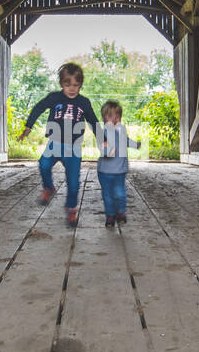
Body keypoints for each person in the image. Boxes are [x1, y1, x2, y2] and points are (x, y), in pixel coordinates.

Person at [20, 63, 98, 226]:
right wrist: (29, 126)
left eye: (76, 85)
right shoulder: (54, 98)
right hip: (54, 144)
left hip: (73, 148)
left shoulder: (83, 102)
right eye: (67, 84)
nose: (71, 88)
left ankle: (71, 209)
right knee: (43, 164)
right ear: (61, 84)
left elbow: (93, 121)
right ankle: (49, 188)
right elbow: (38, 108)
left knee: (73, 182)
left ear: (80, 85)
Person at [96, 99, 140, 228]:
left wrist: (135, 144)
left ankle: (120, 212)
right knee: (108, 195)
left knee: (120, 193)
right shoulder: (103, 132)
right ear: (104, 118)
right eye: (110, 116)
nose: (115, 119)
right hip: (105, 171)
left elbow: (125, 140)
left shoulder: (121, 130)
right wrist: (107, 151)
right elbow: (101, 146)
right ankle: (110, 215)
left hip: (120, 171)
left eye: (117, 116)